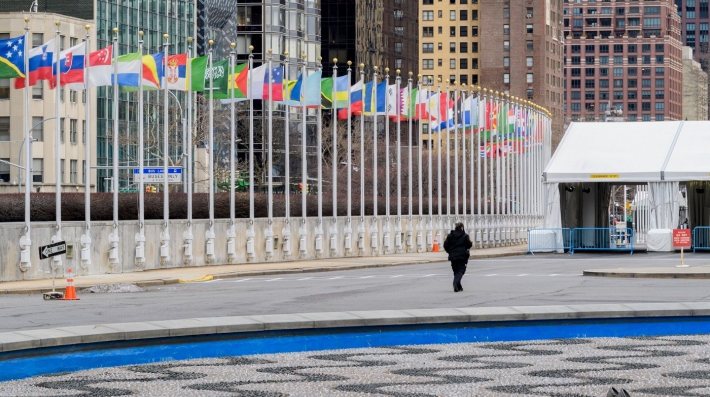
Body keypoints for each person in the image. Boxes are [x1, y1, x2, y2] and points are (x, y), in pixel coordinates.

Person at [443, 222, 473, 292]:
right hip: (462, 256)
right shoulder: (465, 236)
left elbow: (445, 245)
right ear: (462, 228)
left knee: (456, 271)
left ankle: (459, 286)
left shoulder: (450, 236)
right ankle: (455, 283)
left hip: (453, 256)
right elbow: (469, 245)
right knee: (460, 271)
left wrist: (450, 252)